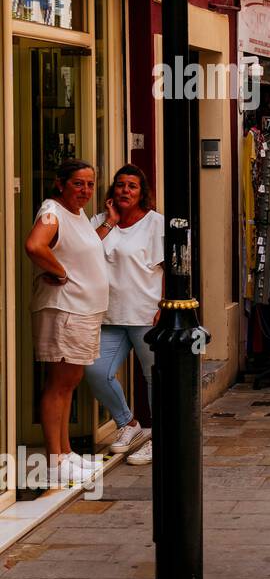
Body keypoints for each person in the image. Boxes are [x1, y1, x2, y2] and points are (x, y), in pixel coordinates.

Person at [24, 160, 110, 484]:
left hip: (82, 310)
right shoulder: (52, 211)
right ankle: (54, 461)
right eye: (78, 184)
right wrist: (59, 272)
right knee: (59, 385)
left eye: (90, 184)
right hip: (66, 311)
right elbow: (35, 245)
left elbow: (82, 251)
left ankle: (65, 453)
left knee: (68, 383)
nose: (85, 191)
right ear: (60, 183)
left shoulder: (78, 214)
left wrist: (109, 225)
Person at [84, 165, 163, 466]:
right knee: (95, 371)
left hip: (145, 314)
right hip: (108, 315)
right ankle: (129, 424)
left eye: (132, 186)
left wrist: (164, 306)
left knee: (154, 378)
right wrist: (110, 223)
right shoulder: (100, 222)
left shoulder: (156, 224)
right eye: (120, 185)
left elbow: (171, 267)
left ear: (142, 192)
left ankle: (159, 438)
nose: (125, 191)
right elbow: (85, 255)